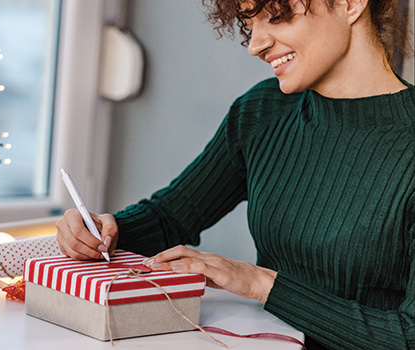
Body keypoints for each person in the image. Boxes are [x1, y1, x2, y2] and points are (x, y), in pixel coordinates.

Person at [55, 0, 414, 349]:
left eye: (276, 16)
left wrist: (261, 284)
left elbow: (408, 335)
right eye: (249, 23)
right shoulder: (263, 111)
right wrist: (103, 231)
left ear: (350, 3)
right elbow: (171, 217)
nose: (255, 45)